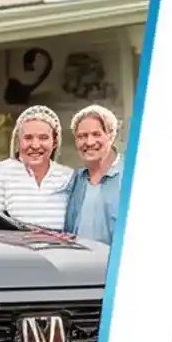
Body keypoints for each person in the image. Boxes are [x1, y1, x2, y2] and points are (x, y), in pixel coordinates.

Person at [0, 105, 74, 230]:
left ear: (55, 142)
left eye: (43, 138)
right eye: (28, 138)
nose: (35, 145)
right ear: (18, 141)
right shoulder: (0, 173)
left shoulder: (68, 176)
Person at [63, 104, 123, 246]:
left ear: (111, 136)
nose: (89, 142)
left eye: (96, 134)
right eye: (82, 136)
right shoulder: (76, 180)